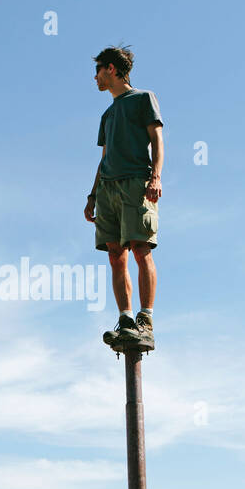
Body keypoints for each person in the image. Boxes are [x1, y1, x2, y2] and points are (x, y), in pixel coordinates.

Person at [84, 45, 163, 349]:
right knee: (116, 256)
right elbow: (104, 159)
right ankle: (126, 320)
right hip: (108, 190)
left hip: (135, 183)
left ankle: (146, 320)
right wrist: (92, 195)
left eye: (98, 70)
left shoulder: (144, 99)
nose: (95, 78)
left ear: (111, 69)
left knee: (141, 249)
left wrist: (155, 177)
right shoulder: (107, 114)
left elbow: (157, 140)